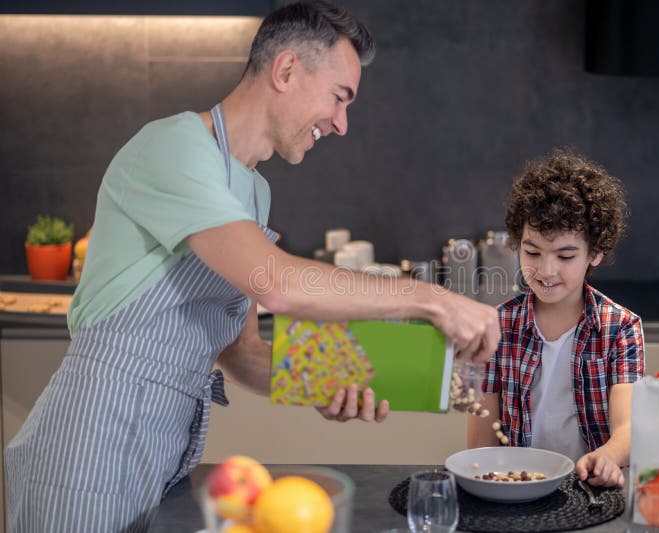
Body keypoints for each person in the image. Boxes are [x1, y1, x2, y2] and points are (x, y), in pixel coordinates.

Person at [4, 2, 500, 531]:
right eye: (339, 97)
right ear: (286, 70)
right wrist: (434, 298)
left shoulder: (253, 193)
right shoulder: (172, 146)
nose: (341, 123)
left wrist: (330, 383)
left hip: (167, 448)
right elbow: (278, 283)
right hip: (92, 440)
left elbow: (240, 354)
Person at [467, 149, 644, 487]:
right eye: (532, 252)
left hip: (589, 486)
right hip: (517, 486)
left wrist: (608, 456)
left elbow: (628, 429)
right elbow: (480, 443)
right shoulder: (497, 326)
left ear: (595, 253)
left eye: (565, 256)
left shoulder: (619, 328)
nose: (546, 271)